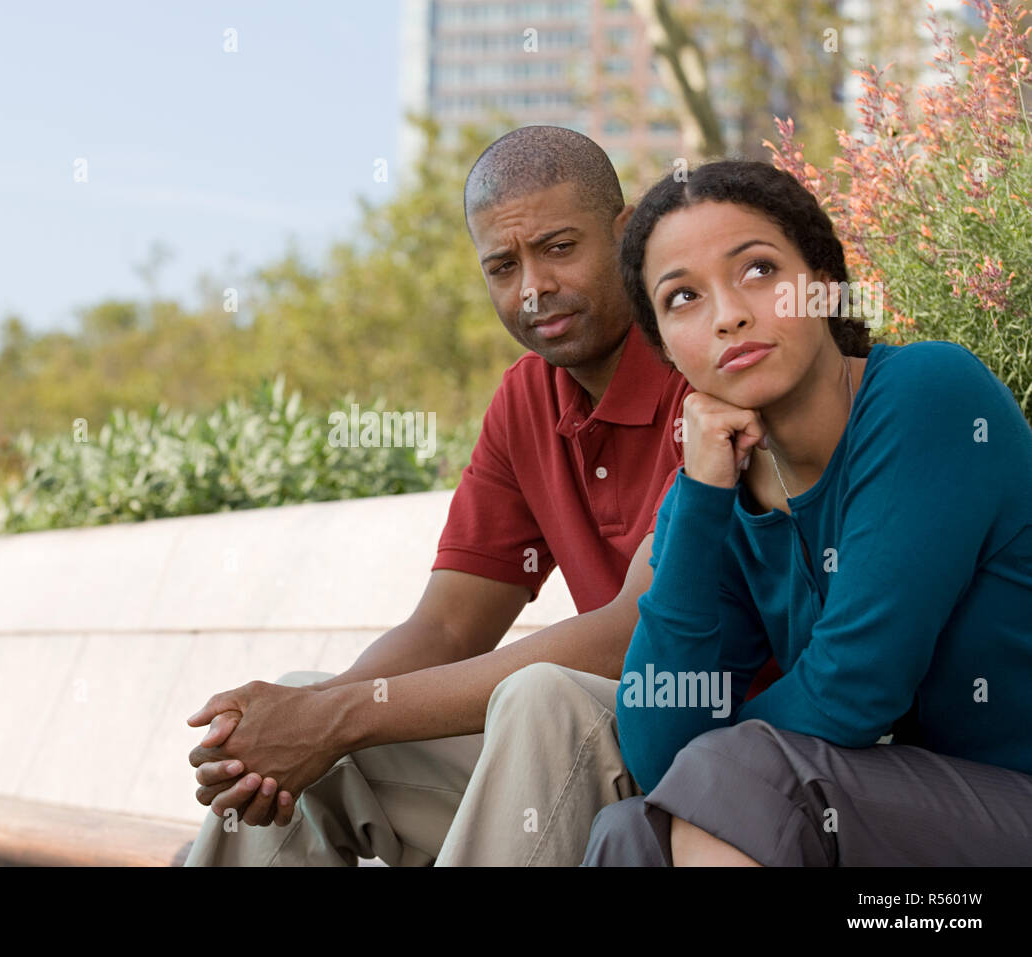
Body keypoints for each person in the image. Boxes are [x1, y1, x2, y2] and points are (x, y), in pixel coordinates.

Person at [182, 125, 710, 866]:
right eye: (502, 264)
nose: (532, 287)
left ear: (627, 235)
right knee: (316, 725)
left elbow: (637, 633)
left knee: (540, 699)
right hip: (584, 763)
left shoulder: (708, 368)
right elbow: (449, 626)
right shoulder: (527, 399)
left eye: (559, 248)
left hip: (721, 750)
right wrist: (301, 720)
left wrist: (337, 716)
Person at [583, 159, 1032, 867]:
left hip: (1012, 805)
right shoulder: (711, 488)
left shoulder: (930, 396)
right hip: (890, 817)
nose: (728, 313)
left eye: (758, 270)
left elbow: (853, 691)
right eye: (683, 299)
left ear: (824, 283)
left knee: (738, 775)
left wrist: (718, 757)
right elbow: (657, 751)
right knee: (628, 829)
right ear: (668, 351)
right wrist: (701, 500)